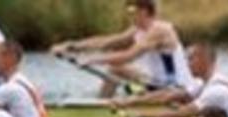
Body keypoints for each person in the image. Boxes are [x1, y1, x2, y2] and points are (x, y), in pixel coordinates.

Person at [51, 0, 194, 98]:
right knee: (116, 69)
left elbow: (129, 55)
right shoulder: (138, 29)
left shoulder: (160, 30)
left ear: (144, 11)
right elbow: (107, 42)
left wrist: (93, 60)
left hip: (175, 86)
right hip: (157, 81)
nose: (129, 14)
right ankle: (104, 104)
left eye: (132, 10)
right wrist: (71, 46)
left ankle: (104, 109)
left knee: (117, 67)